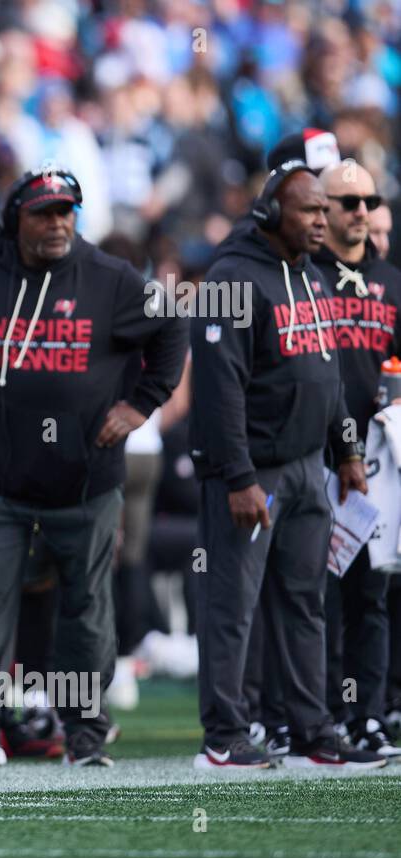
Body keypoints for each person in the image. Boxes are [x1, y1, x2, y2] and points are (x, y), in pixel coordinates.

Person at [0, 167, 186, 768]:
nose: (57, 223)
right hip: (2, 478)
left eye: (66, 211)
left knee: (87, 609)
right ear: (17, 216)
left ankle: (85, 732)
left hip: (86, 481)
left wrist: (141, 404)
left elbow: (172, 322)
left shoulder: (110, 277)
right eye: (44, 213)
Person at [190, 159, 384, 771]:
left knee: (306, 602)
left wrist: (347, 450)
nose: (323, 221)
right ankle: (223, 735)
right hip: (254, 473)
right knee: (233, 605)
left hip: (307, 467)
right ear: (272, 214)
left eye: (326, 211)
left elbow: (327, 375)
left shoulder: (312, 277)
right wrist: (240, 476)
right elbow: (220, 390)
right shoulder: (232, 279)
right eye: (310, 210)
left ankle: (311, 730)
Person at [312, 162, 401, 757]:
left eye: (368, 200)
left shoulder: (392, 281)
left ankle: (368, 715)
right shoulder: (308, 278)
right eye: (348, 202)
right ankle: (322, 716)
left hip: (376, 458)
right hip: (314, 454)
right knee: (315, 594)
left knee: (371, 595)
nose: (360, 211)